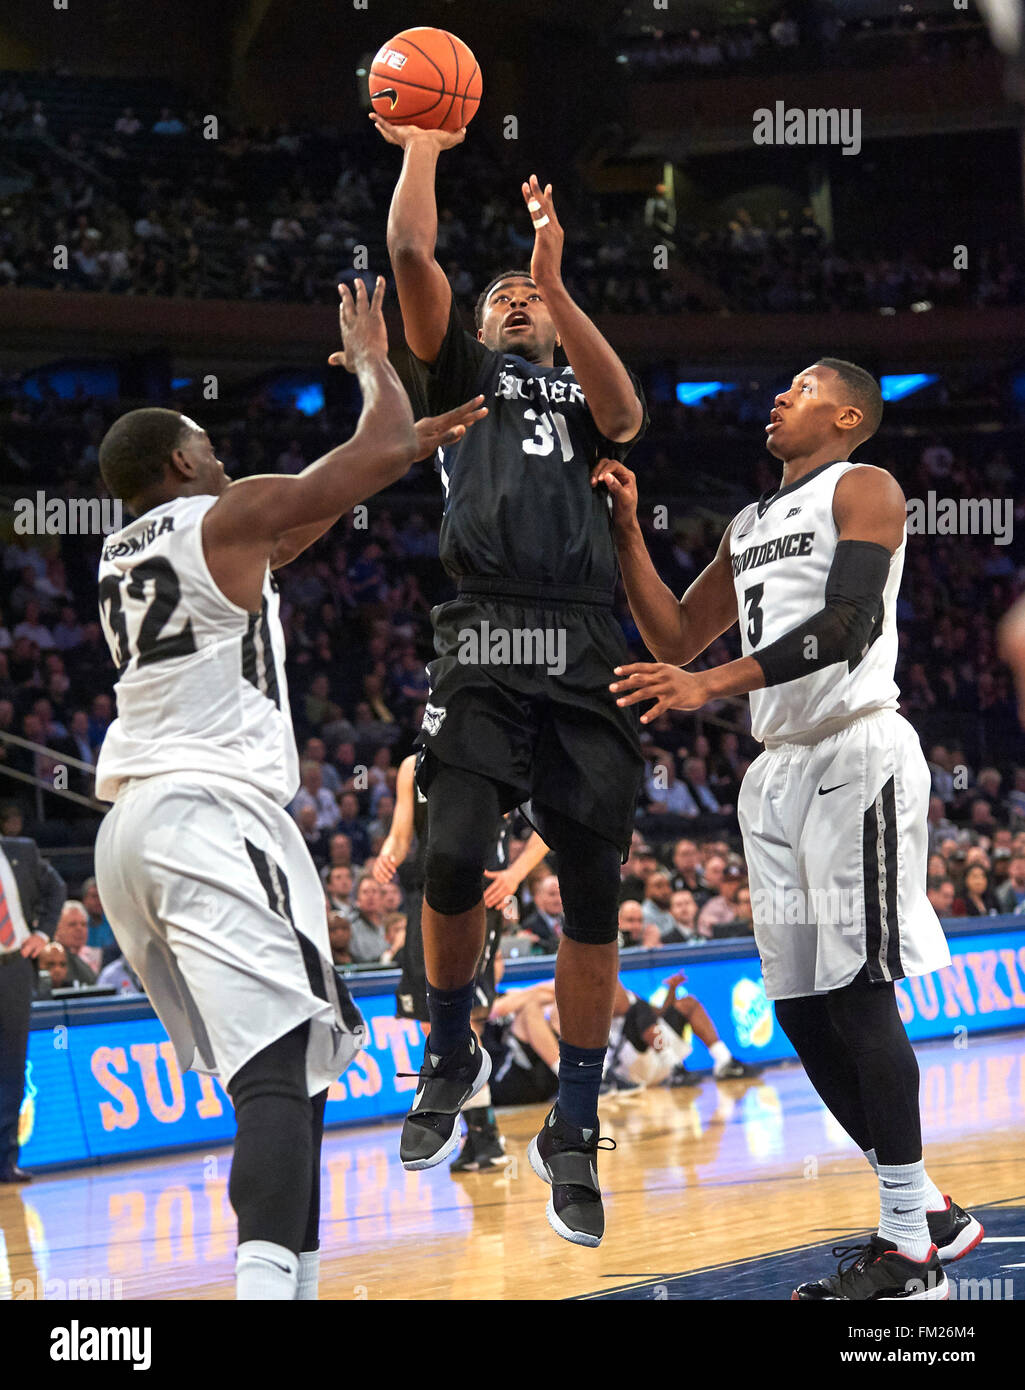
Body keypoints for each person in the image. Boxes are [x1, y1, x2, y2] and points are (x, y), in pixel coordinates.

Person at [92, 278, 486, 1300]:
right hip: (207, 812)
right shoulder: (220, 513)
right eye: (207, 444)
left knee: (302, 1056)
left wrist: (379, 458)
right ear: (183, 461)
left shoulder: (135, 549)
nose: (222, 454)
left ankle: (294, 1284)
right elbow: (360, 459)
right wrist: (372, 370)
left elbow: (311, 512)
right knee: (276, 1065)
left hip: (133, 825)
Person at [598, 357, 981, 1299]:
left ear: (848, 415)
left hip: (855, 749)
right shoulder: (749, 523)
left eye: (803, 388)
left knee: (858, 993)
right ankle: (929, 1213)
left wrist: (709, 687)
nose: (779, 395)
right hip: (774, 770)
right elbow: (678, 639)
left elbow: (847, 623)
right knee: (802, 1008)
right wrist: (623, 537)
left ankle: (906, 1252)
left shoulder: (866, 486)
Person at [373, 112, 648, 1246]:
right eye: (503, 300)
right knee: (448, 855)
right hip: (485, 629)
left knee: (591, 891)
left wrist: (555, 279)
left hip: (584, 638)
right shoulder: (465, 374)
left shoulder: (582, 389)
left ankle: (572, 1127)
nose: (515, 305)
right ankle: (450, 1044)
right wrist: (424, 145)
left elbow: (627, 413)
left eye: (522, 298)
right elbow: (408, 260)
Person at [375, 754, 518, 1172]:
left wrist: (515, 874)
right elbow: (402, 835)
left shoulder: (493, 747)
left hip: (481, 891)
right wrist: (388, 853)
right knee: (433, 1023)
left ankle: (487, 1136)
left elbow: (543, 827)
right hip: (427, 894)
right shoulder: (410, 767)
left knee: (467, 1018)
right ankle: (480, 1138)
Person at [0, 833, 65, 1181]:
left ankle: (5, 1161)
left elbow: (55, 888)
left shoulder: (21, 851)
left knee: (11, 1067)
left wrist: (43, 933)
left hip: (13, 967)